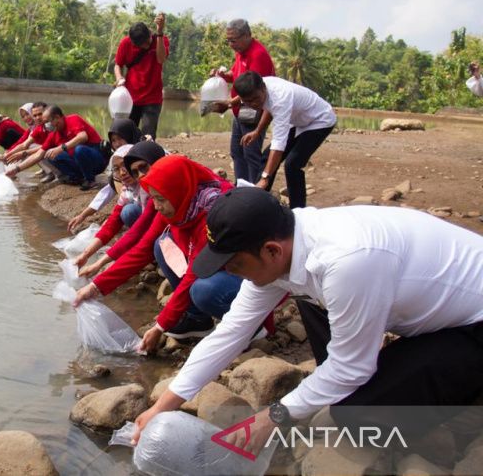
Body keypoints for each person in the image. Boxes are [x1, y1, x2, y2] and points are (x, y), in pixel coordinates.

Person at [133, 187, 483, 453]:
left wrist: (272, 419)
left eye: (233, 265)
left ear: (271, 250)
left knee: (356, 416)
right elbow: (231, 332)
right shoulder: (285, 246)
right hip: (423, 304)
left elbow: (351, 369)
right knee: (315, 308)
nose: (229, 273)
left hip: (473, 323)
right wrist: (163, 408)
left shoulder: (346, 260)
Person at [75, 155, 241, 351]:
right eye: (153, 198)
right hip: (207, 264)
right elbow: (141, 249)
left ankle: (252, 326)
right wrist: (96, 286)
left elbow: (193, 274)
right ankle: (198, 319)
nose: (155, 205)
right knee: (160, 245)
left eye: (160, 199)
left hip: (242, 276)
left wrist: (161, 326)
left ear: (178, 190)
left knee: (203, 289)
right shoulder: (180, 205)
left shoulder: (211, 213)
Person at [235, 71, 336, 208]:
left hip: (320, 120)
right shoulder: (258, 88)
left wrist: (265, 177)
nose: (252, 104)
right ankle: (258, 201)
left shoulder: (280, 97)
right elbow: (268, 107)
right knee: (266, 157)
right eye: (247, 102)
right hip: (300, 120)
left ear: (263, 88)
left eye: (255, 99)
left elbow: (278, 144)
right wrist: (257, 131)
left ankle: (298, 210)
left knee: (293, 164)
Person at [77, 140, 167, 278]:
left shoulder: (150, 188)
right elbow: (112, 223)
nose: (122, 173)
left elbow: (140, 227)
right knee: (126, 212)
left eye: (125, 166)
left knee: (155, 242)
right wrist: (86, 254)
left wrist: (100, 264)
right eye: (116, 169)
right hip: (151, 218)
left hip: (164, 222)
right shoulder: (127, 189)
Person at [210, 19, 276, 183]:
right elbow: (236, 74)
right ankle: (241, 186)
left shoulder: (257, 54)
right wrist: (222, 76)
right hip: (240, 111)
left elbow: (253, 90)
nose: (231, 44)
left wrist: (229, 103)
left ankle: (254, 188)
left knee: (251, 153)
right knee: (237, 151)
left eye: (234, 40)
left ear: (247, 35)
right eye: (228, 41)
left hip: (253, 110)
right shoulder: (241, 52)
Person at [67, 118, 145, 232]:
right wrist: (83, 215)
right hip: (138, 200)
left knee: (128, 212)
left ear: (130, 136)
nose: (117, 144)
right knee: (121, 214)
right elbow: (107, 192)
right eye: (113, 140)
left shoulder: (145, 157)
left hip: (156, 204)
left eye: (121, 138)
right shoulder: (119, 163)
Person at [6, 105, 106, 191]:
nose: (45, 125)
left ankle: (90, 181)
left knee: (79, 149)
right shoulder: (54, 133)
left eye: (47, 122)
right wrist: (17, 169)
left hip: (97, 159)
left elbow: (83, 137)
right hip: (79, 162)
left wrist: (61, 147)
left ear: (57, 117)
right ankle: (76, 178)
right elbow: (39, 154)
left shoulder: (73, 119)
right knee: (49, 154)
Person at [114, 14, 170, 141]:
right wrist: (119, 78)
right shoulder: (126, 43)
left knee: (148, 138)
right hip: (130, 99)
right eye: (142, 45)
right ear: (133, 42)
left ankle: (146, 159)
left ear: (150, 33)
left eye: (147, 41)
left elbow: (161, 59)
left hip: (152, 98)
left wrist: (160, 32)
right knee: (125, 136)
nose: (146, 45)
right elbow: (118, 65)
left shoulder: (161, 40)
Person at [3, 102, 54, 180]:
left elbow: (50, 145)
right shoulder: (36, 128)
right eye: (35, 115)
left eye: (40, 114)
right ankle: (46, 170)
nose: (37, 117)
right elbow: (23, 143)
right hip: (46, 150)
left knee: (32, 148)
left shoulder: (51, 125)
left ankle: (52, 172)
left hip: (58, 152)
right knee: (30, 148)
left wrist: (24, 153)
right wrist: (8, 154)